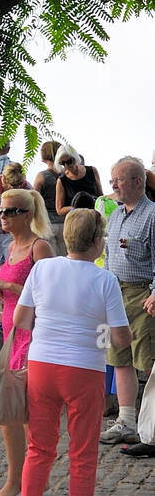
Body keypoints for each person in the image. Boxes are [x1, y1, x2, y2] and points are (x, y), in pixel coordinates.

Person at [8, 208, 132, 496]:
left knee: (39, 448)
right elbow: (120, 339)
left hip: (42, 365)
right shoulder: (104, 279)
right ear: (96, 242)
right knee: (83, 455)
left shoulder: (43, 268)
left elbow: (21, 320)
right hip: (84, 371)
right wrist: (99, 334)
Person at [0, 188, 53, 496]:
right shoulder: (11, 247)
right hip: (12, 334)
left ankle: (18, 482)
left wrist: (5, 284)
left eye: (9, 211)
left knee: (20, 414)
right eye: (1, 211)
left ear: (27, 214)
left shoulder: (40, 247)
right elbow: (11, 292)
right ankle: (30, 480)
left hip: (33, 337)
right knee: (17, 412)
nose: (2, 216)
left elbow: (49, 294)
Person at [99, 156, 155, 445]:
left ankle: (152, 425)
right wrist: (102, 289)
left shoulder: (153, 215)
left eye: (118, 180)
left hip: (143, 297)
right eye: (112, 180)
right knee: (119, 359)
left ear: (137, 181)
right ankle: (127, 422)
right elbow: (108, 256)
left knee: (147, 361)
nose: (113, 185)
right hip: (115, 296)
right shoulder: (116, 215)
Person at [0, 161, 30, 266]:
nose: (17, 187)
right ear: (5, 180)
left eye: (20, 184)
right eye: (13, 184)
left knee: (12, 263)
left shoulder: (27, 188)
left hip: (13, 233)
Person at [33, 141, 66, 258]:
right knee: (65, 258)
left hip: (47, 223)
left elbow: (34, 200)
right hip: (65, 222)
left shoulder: (41, 176)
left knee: (49, 259)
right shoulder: (67, 174)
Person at [54, 148, 102, 217]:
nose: (66, 166)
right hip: (76, 219)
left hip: (95, 216)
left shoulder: (92, 171)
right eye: (63, 163)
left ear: (75, 158)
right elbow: (59, 210)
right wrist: (76, 207)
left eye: (69, 162)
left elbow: (101, 196)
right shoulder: (62, 181)